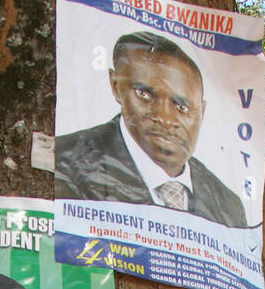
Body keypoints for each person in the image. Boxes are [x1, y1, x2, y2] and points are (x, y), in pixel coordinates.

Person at [55, 31, 248, 228]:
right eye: (144, 94)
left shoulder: (230, 208)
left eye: (182, 107)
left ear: (202, 111)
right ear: (116, 86)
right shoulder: (64, 163)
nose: (164, 118)